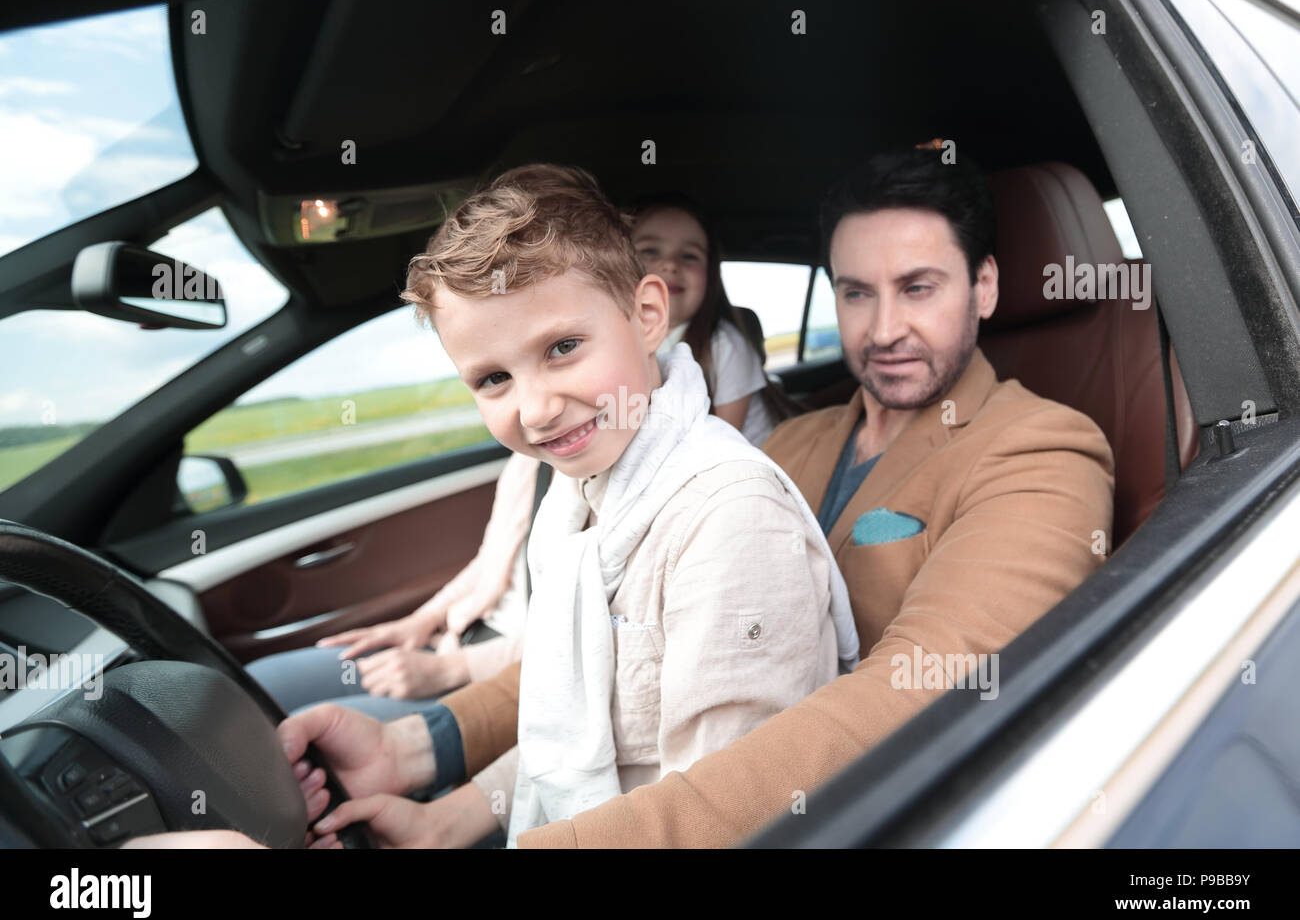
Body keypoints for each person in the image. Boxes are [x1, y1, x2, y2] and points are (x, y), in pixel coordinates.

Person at [285, 146, 1113, 849]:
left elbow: (913, 697)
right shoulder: (793, 442)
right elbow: (615, 661)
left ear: (988, 286)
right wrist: (427, 752)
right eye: (856, 292)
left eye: (919, 287)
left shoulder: (1040, 451)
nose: (884, 326)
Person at [299, 162, 858, 847]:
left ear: (648, 315)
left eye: (563, 347)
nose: (535, 409)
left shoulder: (729, 521)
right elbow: (583, 732)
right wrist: (442, 823)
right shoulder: (574, 501)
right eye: (493, 378)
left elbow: (723, 815)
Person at [243, 452, 538, 720]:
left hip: (517, 682)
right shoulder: (527, 462)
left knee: (308, 733)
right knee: (257, 684)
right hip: (457, 640)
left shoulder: (579, 485)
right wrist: (421, 620)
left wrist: (453, 669)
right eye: (491, 388)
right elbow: (491, 560)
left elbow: (576, 643)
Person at [629, 194, 798, 446]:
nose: (670, 264)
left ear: (710, 278)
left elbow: (723, 450)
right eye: (650, 251)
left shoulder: (725, 346)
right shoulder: (622, 344)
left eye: (689, 256)